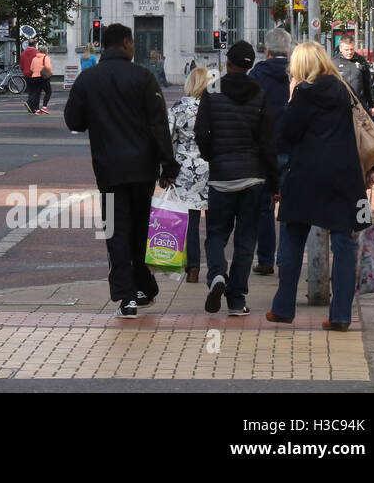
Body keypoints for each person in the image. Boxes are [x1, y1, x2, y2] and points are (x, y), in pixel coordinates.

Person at [63, 23, 179, 318]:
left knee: (116, 232)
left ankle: (125, 297)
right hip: (142, 170)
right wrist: (168, 164)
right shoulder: (143, 78)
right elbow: (158, 125)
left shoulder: (88, 80)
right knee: (140, 231)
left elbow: (73, 121)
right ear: (126, 43)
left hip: (109, 171)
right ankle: (143, 287)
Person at [267, 41, 367, 331]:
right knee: (344, 244)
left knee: (292, 237)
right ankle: (340, 315)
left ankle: (284, 307)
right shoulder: (341, 88)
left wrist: (290, 98)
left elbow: (287, 134)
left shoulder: (303, 93)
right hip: (343, 175)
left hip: (306, 176)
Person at [194, 40, 277, 316]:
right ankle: (237, 298)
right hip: (252, 177)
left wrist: (211, 156)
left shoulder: (212, 89)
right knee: (245, 239)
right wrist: (273, 180)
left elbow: (201, 132)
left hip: (221, 176)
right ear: (249, 66)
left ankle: (217, 275)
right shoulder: (259, 91)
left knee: (216, 233)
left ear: (227, 64)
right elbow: (267, 140)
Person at [249, 28, 294, 276]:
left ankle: (265, 259)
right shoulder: (296, 74)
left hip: (264, 150)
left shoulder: (256, 75)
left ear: (266, 51)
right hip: (291, 148)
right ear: (288, 49)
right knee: (289, 206)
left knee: (264, 207)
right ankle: (285, 259)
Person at [169, 66, 211, 283]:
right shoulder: (213, 106)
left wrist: (166, 170)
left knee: (191, 221)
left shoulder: (179, 108)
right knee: (215, 222)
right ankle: (215, 267)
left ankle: (193, 268)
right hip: (211, 168)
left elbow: (168, 139)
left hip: (185, 169)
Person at [332, 34, 374, 116]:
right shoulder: (334, 62)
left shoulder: (361, 61)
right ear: (340, 48)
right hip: (340, 106)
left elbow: (367, 84)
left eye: (352, 49)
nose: (349, 52)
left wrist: (371, 105)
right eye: (346, 50)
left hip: (359, 106)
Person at [28, 43, 54, 114]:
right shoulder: (46, 57)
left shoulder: (34, 58)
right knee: (48, 92)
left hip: (34, 78)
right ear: (46, 51)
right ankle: (44, 107)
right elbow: (48, 67)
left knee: (37, 93)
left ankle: (37, 110)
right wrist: (51, 73)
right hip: (43, 77)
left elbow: (31, 68)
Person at [19, 40, 40, 114]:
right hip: (34, 74)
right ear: (34, 44)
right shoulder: (37, 53)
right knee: (36, 91)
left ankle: (31, 108)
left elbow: (21, 66)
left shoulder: (23, 53)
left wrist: (24, 70)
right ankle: (30, 103)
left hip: (26, 74)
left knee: (31, 91)